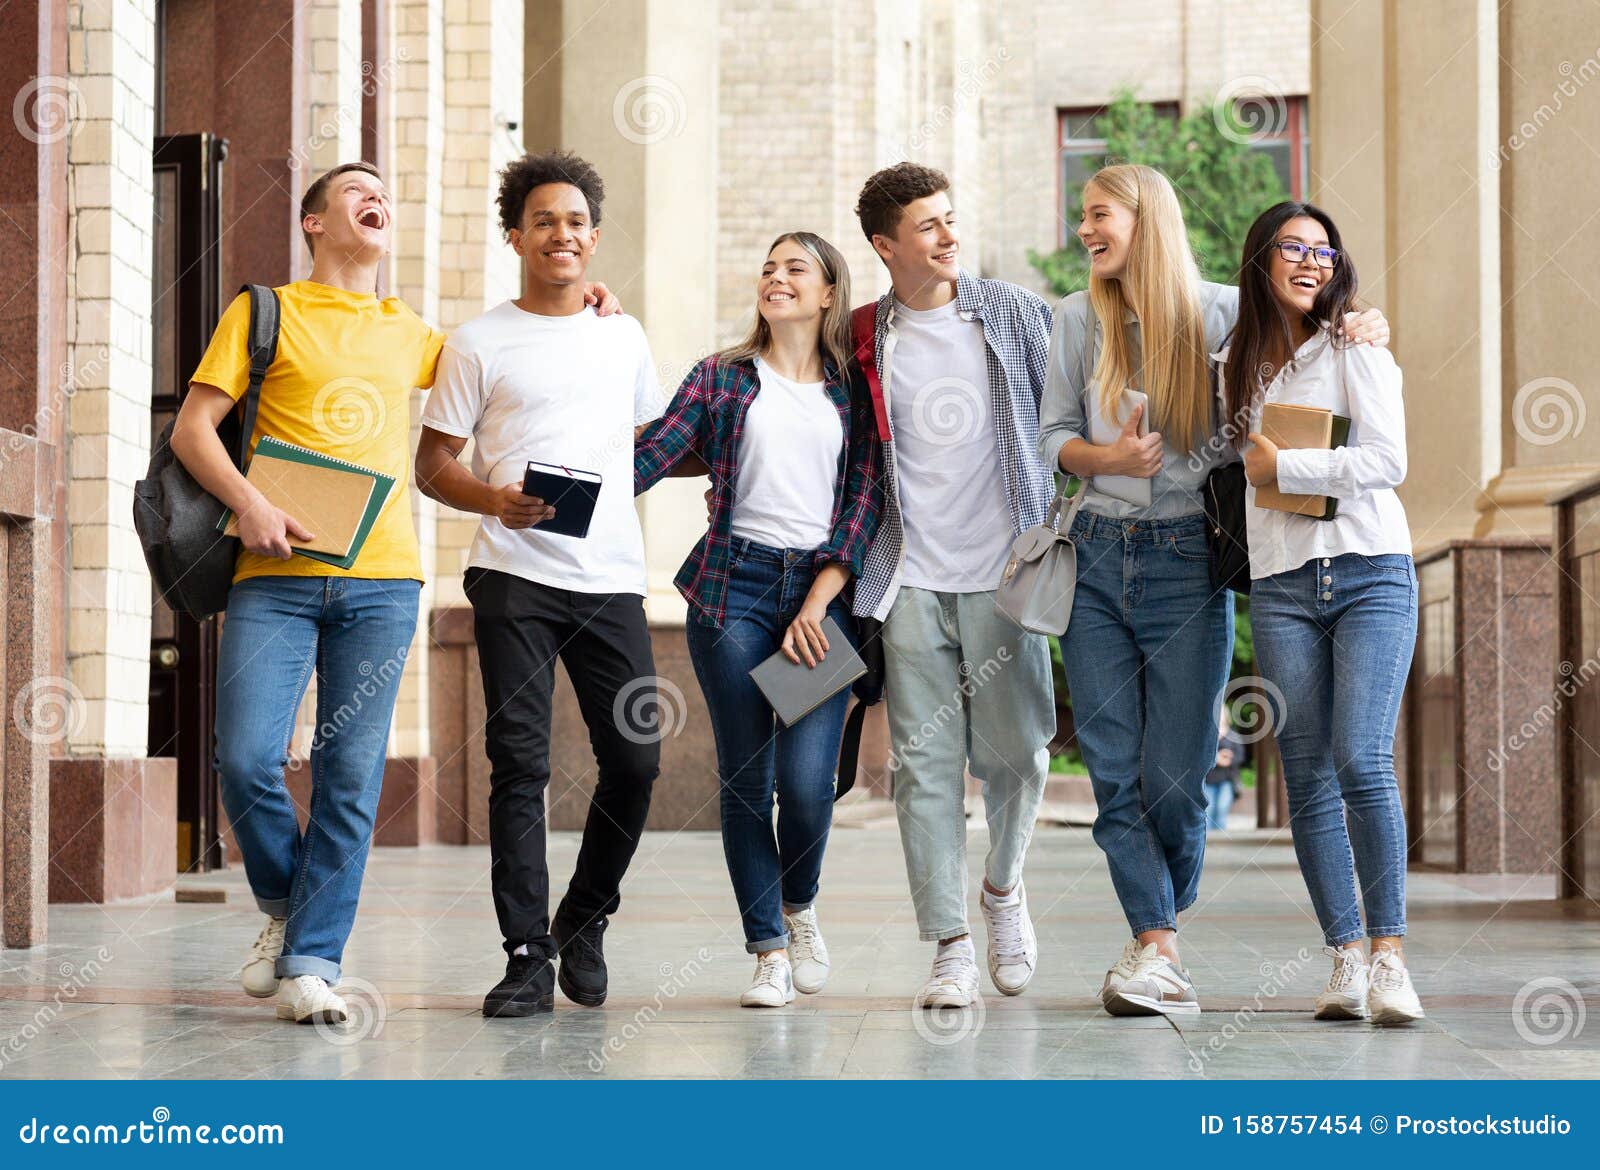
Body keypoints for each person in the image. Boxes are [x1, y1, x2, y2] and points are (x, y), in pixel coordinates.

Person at [1038, 163, 1390, 1018]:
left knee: (1177, 775)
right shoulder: (1077, 319)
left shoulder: (1225, 310)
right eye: (1082, 216)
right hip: (1092, 558)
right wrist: (1107, 459)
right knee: (1114, 765)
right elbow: (1050, 436)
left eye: (1099, 214)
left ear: (1145, 219)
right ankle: (1156, 943)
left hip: (1188, 563)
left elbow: (1306, 334)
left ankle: (1163, 915)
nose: (1085, 229)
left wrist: (1358, 321)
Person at [173, 162, 442, 1026]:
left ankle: (312, 965)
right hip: (275, 577)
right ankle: (288, 909)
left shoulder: (413, 331)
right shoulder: (266, 311)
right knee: (246, 759)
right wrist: (249, 503)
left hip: (384, 579)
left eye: (385, 194)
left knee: (348, 774)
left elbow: (508, 365)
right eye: (356, 191)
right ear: (314, 222)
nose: (377, 200)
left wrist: (586, 304)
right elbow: (191, 429)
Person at [414, 151, 662, 1018]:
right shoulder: (478, 341)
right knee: (519, 764)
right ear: (516, 235)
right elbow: (432, 464)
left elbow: (649, 444)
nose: (562, 234)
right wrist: (494, 500)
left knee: (637, 759)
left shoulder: (622, 333)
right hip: (512, 576)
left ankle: (584, 920)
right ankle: (526, 954)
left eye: (577, 222)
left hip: (611, 580)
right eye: (544, 220)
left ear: (593, 239)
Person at [634, 232, 882, 1007]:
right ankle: (767, 947)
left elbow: (865, 499)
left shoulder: (853, 388)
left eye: (794, 268)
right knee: (747, 776)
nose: (775, 278)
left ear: (827, 293)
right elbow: (649, 453)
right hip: (731, 588)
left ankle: (798, 904)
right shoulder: (720, 377)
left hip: (821, 594)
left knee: (808, 786)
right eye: (768, 268)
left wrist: (819, 598)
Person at [852, 162, 1056, 1008]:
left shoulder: (1012, 312)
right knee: (924, 769)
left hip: (1007, 574)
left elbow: (1093, 383)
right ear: (884, 245)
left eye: (950, 218)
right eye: (928, 226)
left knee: (1020, 755)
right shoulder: (861, 332)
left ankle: (1003, 890)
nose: (948, 235)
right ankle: (949, 943)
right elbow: (774, 354)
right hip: (906, 575)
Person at [1224, 200, 1423, 1025]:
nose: (1312, 263)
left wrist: (1286, 462)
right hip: (1282, 583)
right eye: (1293, 249)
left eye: (1325, 253)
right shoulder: (1231, 362)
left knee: (1361, 758)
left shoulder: (1356, 347)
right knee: (1303, 773)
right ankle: (1342, 955)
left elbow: (1388, 460)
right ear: (1261, 261)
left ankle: (1389, 958)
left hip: (1372, 571)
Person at [1204, 707, 1245, 831]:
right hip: (1208, 781)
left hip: (1227, 780)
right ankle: (1209, 839)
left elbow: (1240, 755)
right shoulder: (1207, 734)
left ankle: (1221, 838)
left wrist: (1228, 760)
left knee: (1222, 807)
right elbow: (1201, 755)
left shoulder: (1232, 735)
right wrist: (1217, 758)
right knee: (1209, 810)